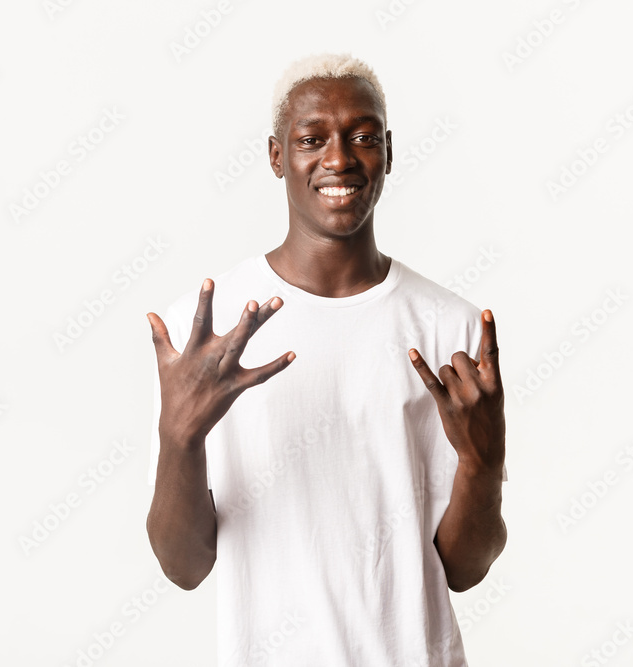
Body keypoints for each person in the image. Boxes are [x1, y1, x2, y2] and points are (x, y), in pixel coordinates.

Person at [146, 52, 508, 666]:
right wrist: (178, 437)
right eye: (312, 138)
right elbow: (184, 567)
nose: (338, 159)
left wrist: (484, 461)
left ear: (388, 152)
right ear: (276, 156)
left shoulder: (451, 326)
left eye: (362, 136)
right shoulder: (207, 331)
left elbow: (466, 568)